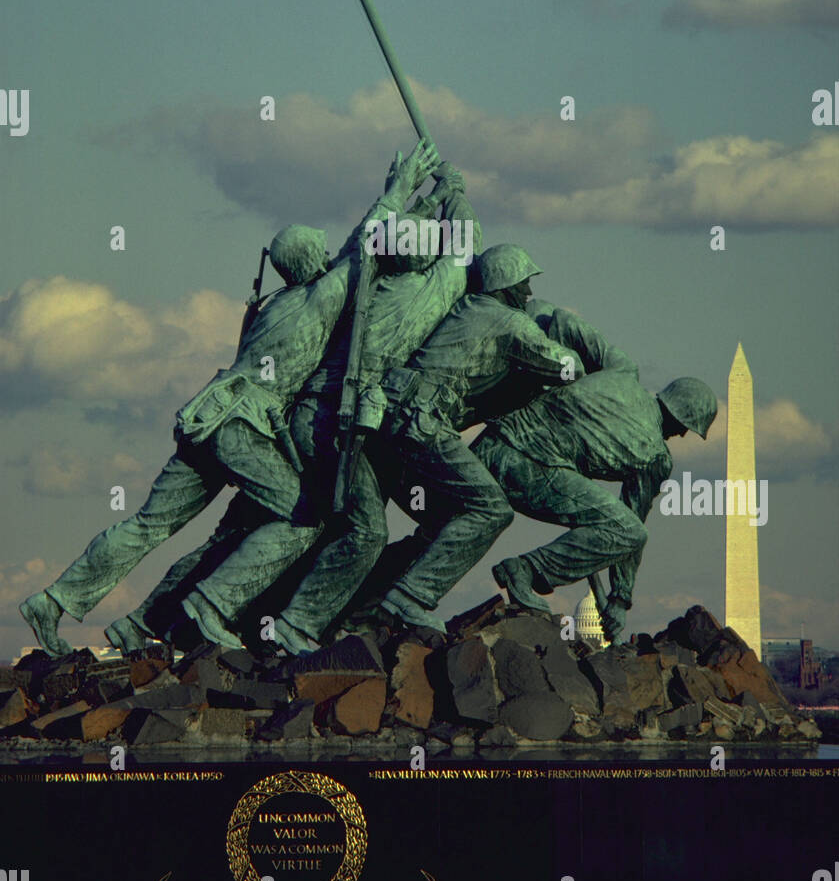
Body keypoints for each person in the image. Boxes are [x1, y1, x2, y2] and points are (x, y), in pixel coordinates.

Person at [19, 140, 439, 656]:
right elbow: (362, 249)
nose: (330, 257)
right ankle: (208, 607)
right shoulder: (317, 299)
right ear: (312, 262)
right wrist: (397, 190)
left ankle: (55, 601)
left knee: (147, 525)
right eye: (321, 253)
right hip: (242, 427)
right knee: (299, 517)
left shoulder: (272, 305)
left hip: (204, 417)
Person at [357, 245, 585, 632]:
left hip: (393, 420)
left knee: (445, 519)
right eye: (524, 283)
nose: (528, 293)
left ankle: (364, 602)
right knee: (490, 509)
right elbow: (569, 368)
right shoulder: (509, 323)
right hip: (421, 424)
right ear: (505, 284)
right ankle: (407, 600)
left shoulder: (466, 309)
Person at [480, 302, 717, 642]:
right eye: (685, 429)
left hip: (494, 441)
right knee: (628, 531)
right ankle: (526, 570)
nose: (680, 436)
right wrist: (620, 599)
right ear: (681, 422)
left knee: (446, 524)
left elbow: (559, 321)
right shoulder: (655, 457)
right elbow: (630, 533)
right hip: (527, 469)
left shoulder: (622, 370)